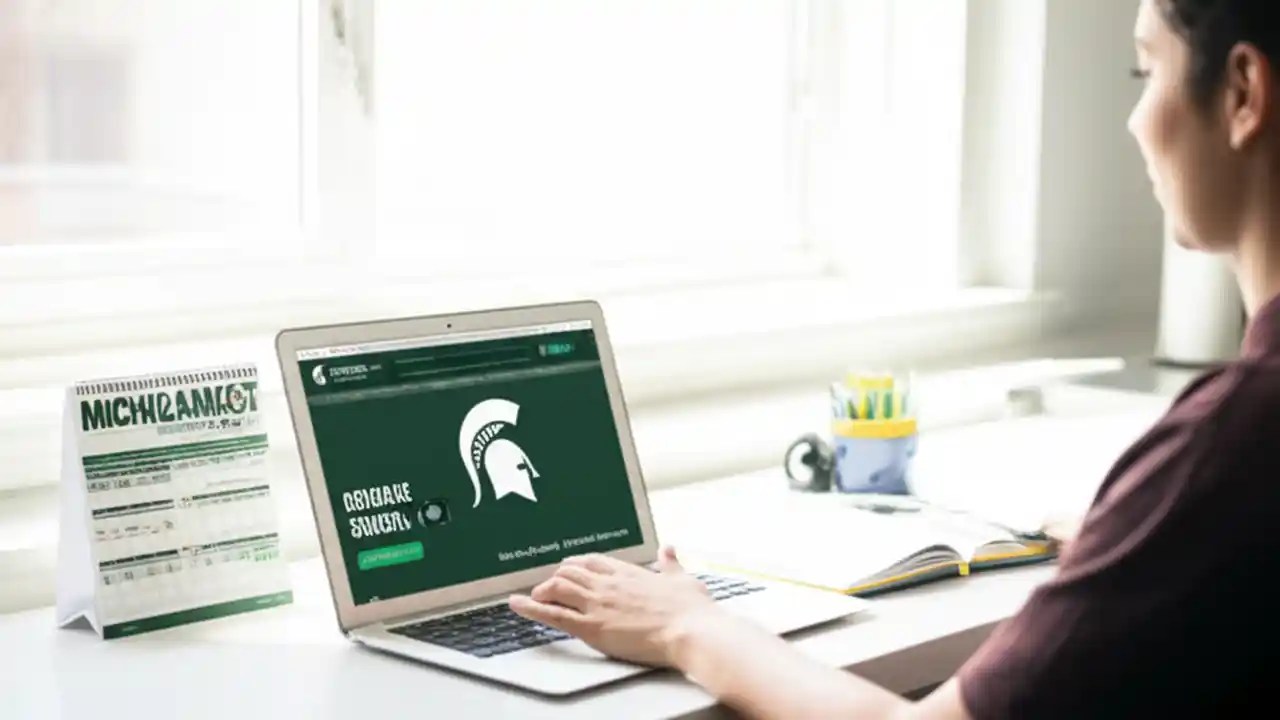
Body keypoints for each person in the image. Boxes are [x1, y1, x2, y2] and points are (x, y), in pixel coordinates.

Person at [510, 1, 1280, 717]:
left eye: (1146, 72)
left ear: (1243, 91)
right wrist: (1138, 541)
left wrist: (688, 626)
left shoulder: (1234, 437)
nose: (1136, 121)